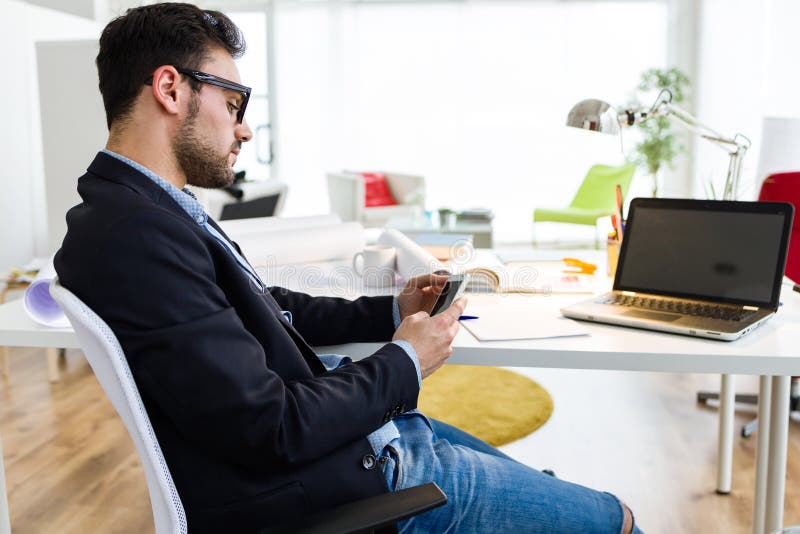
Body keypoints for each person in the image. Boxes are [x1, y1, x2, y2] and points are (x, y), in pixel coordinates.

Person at [54, 3, 641, 533]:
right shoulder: (135, 234)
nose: (244, 127)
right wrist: (407, 360)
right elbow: (272, 427)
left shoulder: (147, 211)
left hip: (361, 440)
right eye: (233, 104)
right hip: (352, 482)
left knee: (558, 494)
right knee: (620, 521)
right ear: (170, 89)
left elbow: (269, 307)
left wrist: (392, 311)